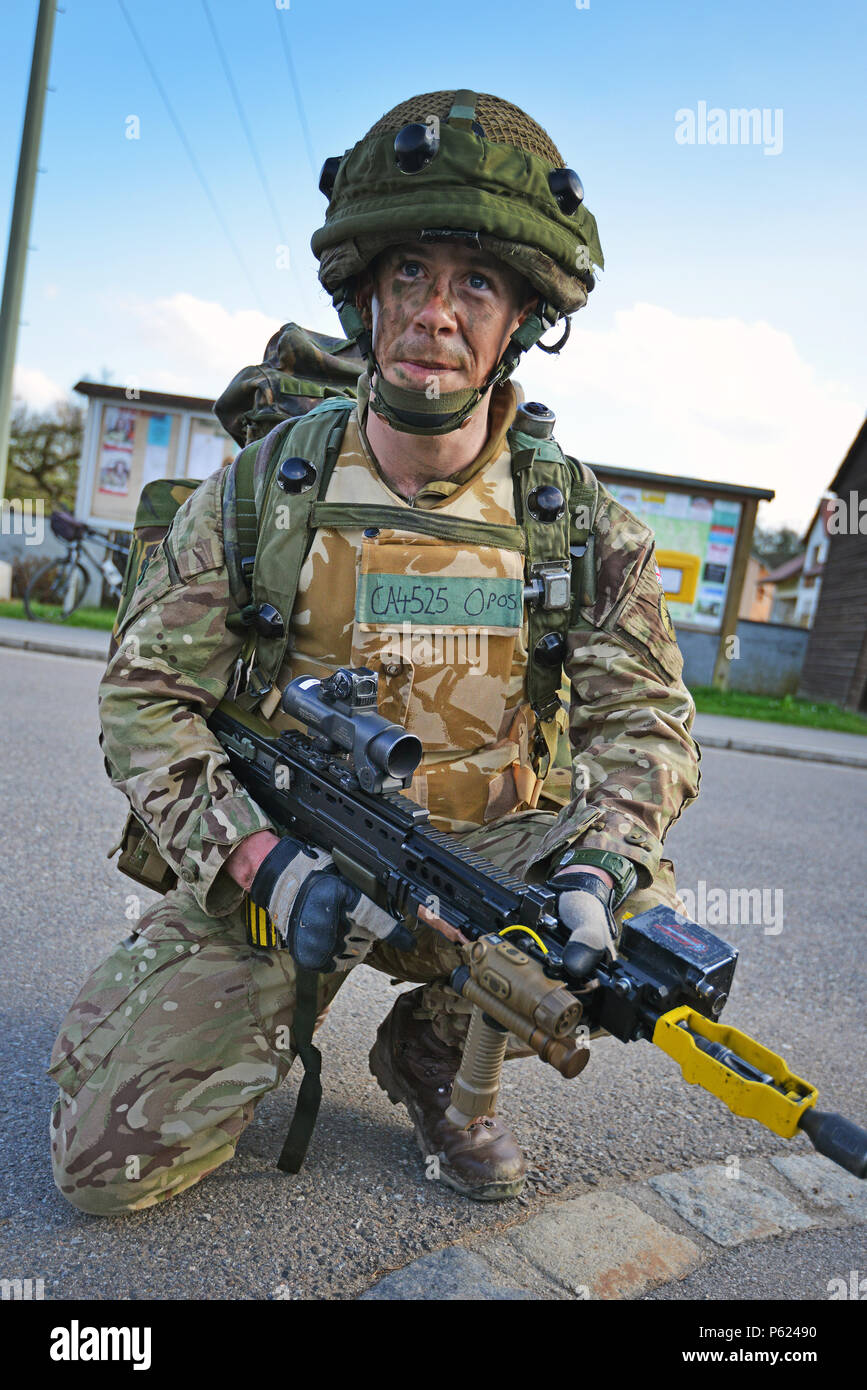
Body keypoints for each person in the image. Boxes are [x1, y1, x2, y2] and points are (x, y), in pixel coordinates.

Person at [48, 90, 700, 1215]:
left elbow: (647, 727)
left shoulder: (573, 522)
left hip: (482, 858)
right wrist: (258, 864)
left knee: (621, 919)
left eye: (476, 285)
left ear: (521, 321)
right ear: (364, 294)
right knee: (108, 1172)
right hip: (288, 848)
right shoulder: (264, 492)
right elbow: (146, 699)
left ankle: (437, 1053)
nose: (436, 314)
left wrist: (594, 879)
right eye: (410, 276)